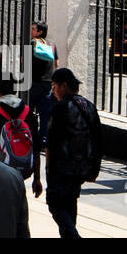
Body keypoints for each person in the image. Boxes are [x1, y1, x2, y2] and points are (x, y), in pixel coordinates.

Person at [44, 67, 102, 238]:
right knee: (70, 204)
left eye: (54, 87)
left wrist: (48, 169)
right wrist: (94, 168)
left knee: (55, 204)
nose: (53, 92)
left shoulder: (61, 107)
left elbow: (52, 142)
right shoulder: (89, 106)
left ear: (64, 86)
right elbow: (98, 139)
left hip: (62, 168)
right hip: (82, 168)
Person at [0, 77, 43, 199]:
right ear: (16, 91)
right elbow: (36, 148)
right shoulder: (28, 112)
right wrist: (37, 179)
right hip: (22, 171)